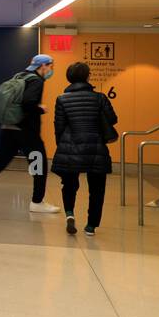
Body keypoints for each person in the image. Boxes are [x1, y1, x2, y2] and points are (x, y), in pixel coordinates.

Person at [0, 53, 61, 214]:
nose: (51, 70)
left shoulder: (18, 77)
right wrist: (41, 109)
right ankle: (37, 202)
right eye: (50, 66)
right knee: (39, 165)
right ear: (43, 66)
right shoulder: (37, 81)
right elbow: (28, 103)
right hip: (27, 132)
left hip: (8, 128)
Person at [51, 61, 118, 237]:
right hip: (96, 148)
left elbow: (58, 127)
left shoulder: (62, 99)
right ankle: (90, 226)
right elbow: (112, 119)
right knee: (97, 189)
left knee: (69, 184)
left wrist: (62, 147)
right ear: (88, 77)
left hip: (70, 148)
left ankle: (70, 214)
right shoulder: (100, 98)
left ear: (69, 78)